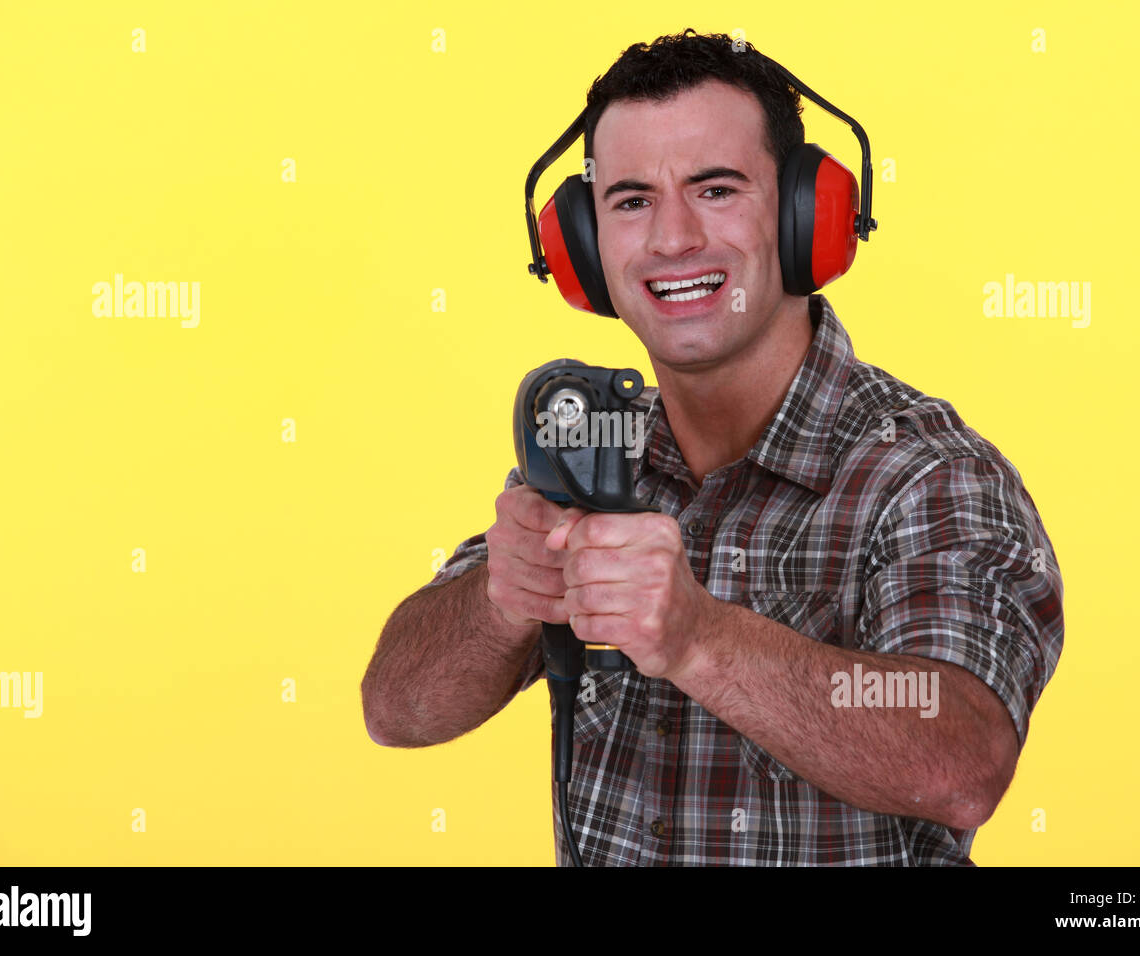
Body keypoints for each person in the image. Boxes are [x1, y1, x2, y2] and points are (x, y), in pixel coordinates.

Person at [362, 29, 1064, 866]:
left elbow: (961, 759)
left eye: (716, 189)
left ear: (808, 215)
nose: (671, 239)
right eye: (630, 200)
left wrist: (700, 638)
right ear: (582, 249)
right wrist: (501, 598)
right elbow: (394, 710)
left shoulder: (925, 474)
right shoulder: (595, 451)